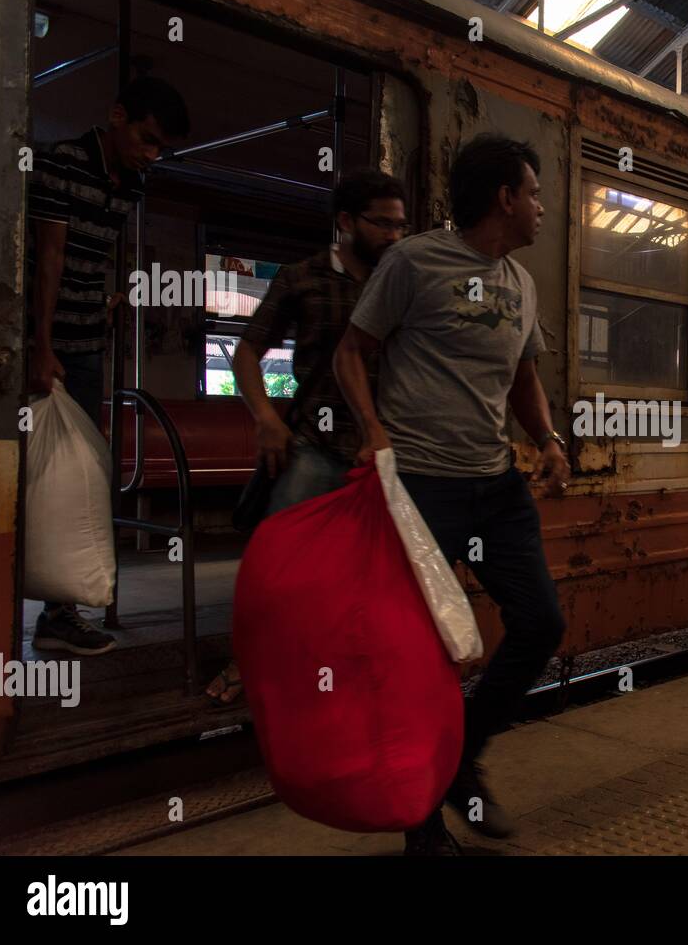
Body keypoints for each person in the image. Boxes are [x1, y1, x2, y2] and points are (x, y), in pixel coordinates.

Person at [333, 134, 571, 855]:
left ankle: (459, 756)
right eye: (533, 193)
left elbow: (525, 375)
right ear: (504, 197)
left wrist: (551, 439)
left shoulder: (520, 284)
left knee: (539, 624)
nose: (540, 208)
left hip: (494, 484)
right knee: (425, 654)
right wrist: (373, 428)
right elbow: (353, 351)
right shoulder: (414, 261)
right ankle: (424, 829)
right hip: (425, 486)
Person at [204, 170, 408, 706]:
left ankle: (337, 680)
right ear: (345, 222)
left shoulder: (404, 280)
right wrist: (266, 420)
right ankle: (246, 665)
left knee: (370, 578)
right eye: (382, 224)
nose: (394, 236)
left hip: (384, 453)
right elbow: (249, 350)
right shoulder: (302, 277)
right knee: (277, 569)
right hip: (316, 446)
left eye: (400, 226)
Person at [26, 76, 190, 657]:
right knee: (20, 470)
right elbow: (50, 255)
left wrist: (106, 299)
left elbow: (95, 257)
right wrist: (41, 347)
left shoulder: (134, 186)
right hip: (39, 339)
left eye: (160, 149)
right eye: (146, 139)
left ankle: (58, 613)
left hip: (87, 336)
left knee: (76, 475)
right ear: (117, 115)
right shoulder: (61, 163)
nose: (151, 155)